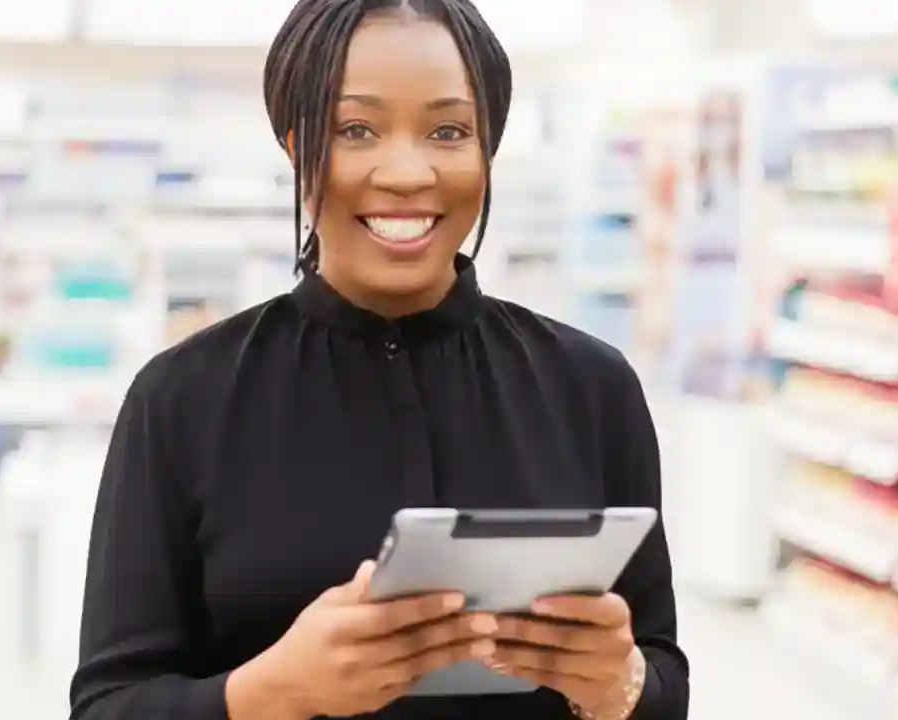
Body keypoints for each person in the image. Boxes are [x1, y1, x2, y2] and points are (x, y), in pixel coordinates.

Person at [69, 0, 689, 718]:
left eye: (449, 131)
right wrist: (274, 690)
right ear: (296, 146)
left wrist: (617, 684)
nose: (405, 172)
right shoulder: (182, 399)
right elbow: (108, 705)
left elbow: (661, 677)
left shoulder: (592, 388)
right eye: (355, 129)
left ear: (488, 150)